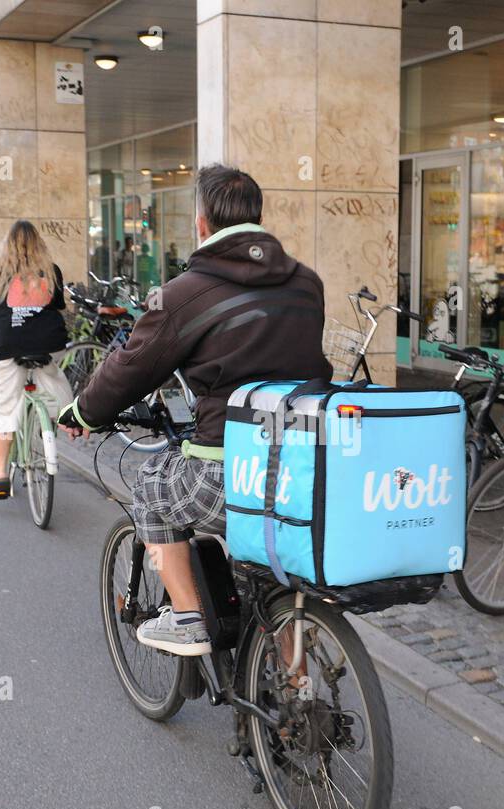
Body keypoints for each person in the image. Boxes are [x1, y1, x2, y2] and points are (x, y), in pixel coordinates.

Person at [60, 164, 333, 656]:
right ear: (257, 217)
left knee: (150, 486)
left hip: (228, 471)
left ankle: (188, 618)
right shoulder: (307, 283)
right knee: (278, 565)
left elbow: (130, 367)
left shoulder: (186, 294)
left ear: (202, 223)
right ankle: (296, 680)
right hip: (303, 465)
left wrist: (82, 412)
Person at [0, 220, 73, 500]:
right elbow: (59, 306)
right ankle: (56, 420)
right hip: (49, 344)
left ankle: (0, 473)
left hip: (9, 348)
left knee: (5, 409)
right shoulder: (51, 271)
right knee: (56, 384)